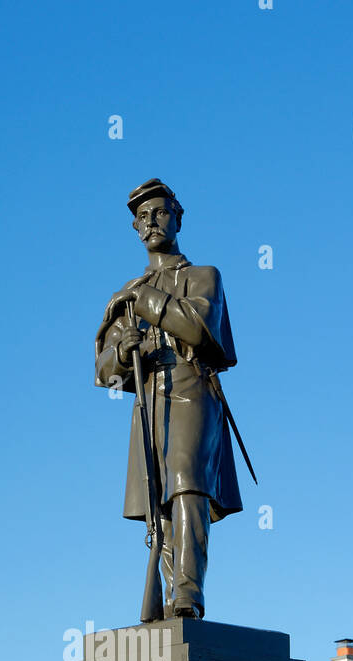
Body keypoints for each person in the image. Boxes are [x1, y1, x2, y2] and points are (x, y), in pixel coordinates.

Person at [95, 179, 243, 619]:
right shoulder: (124, 294)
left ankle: (187, 594)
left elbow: (198, 329)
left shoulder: (202, 277)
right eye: (142, 217)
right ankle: (165, 590)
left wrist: (146, 300)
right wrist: (123, 351)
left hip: (190, 387)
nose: (151, 222)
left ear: (178, 216)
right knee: (156, 500)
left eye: (159, 212)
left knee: (185, 483)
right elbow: (103, 370)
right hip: (148, 399)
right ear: (135, 229)